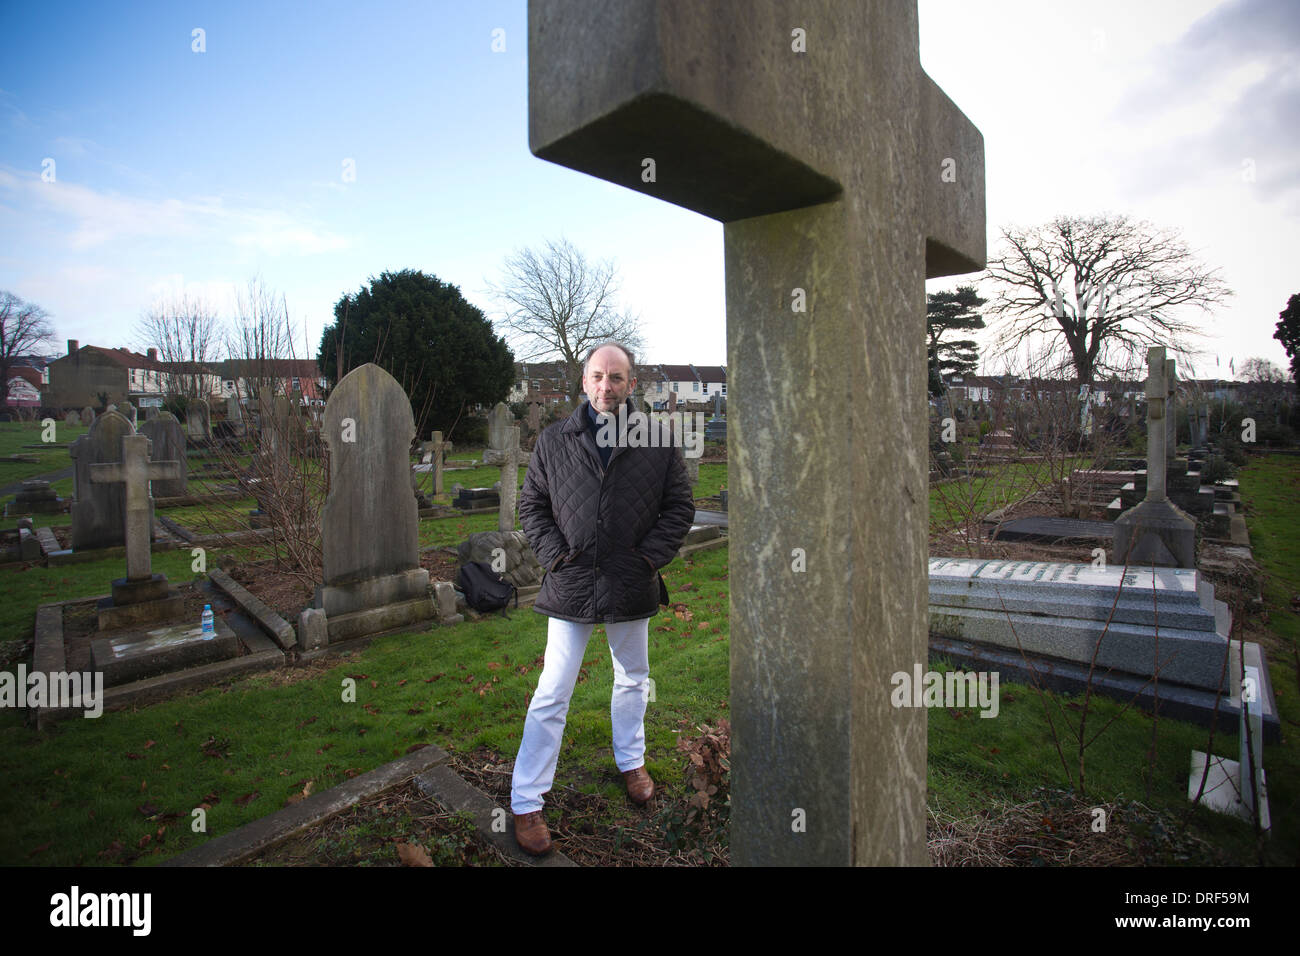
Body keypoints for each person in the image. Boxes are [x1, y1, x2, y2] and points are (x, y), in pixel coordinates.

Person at [511, 341, 695, 856]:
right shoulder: (554, 441)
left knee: (633, 678)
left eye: (616, 377)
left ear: (631, 384)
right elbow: (533, 505)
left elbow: (679, 508)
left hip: (629, 581)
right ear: (584, 381)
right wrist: (556, 555)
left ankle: (631, 761)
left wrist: (645, 561)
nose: (605, 386)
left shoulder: (657, 443)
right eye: (597, 376)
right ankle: (526, 800)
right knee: (553, 691)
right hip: (570, 583)